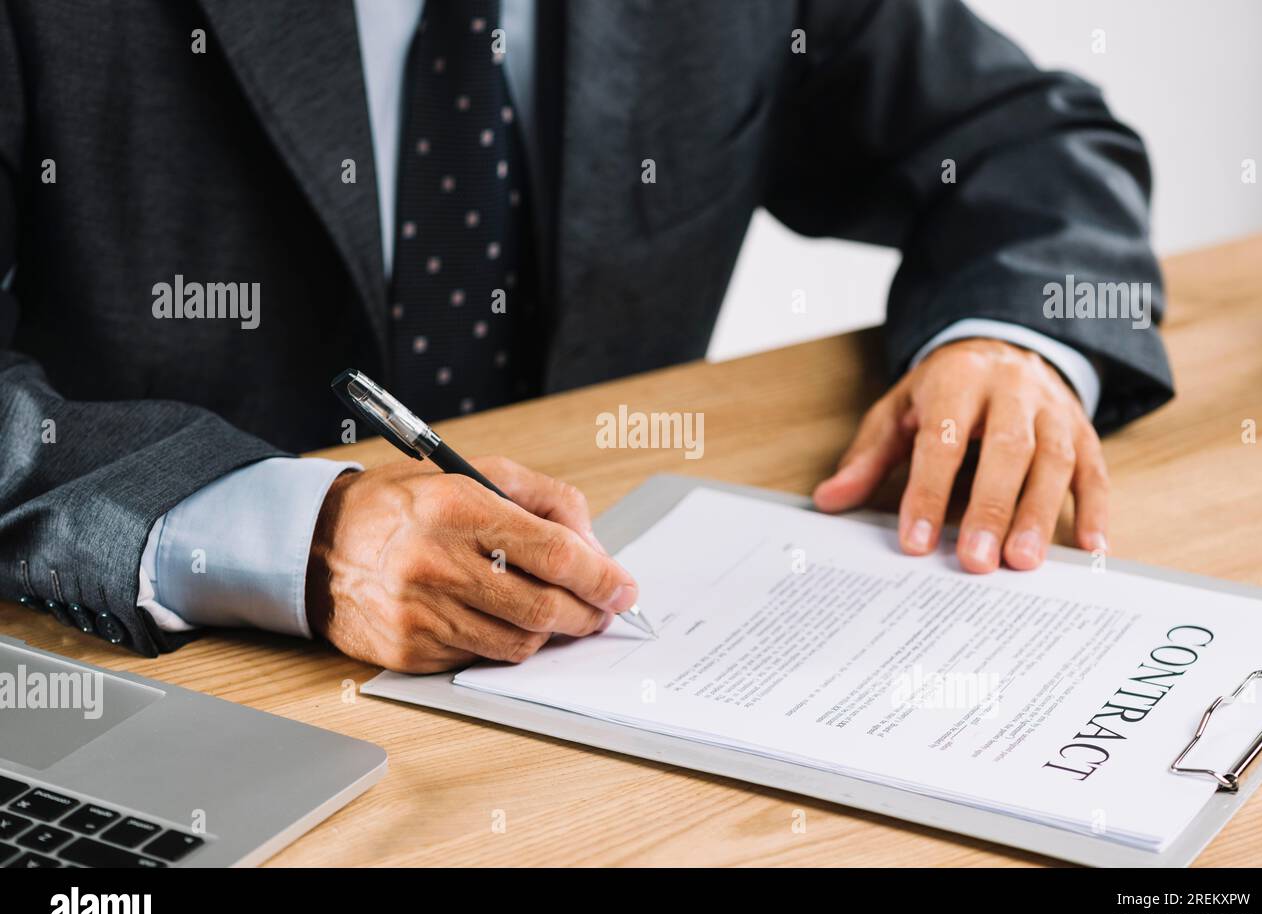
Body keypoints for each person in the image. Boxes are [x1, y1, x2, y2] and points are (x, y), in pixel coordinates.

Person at [0, 0, 1171, 672]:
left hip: (590, 706)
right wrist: (288, 536)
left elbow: (1029, 139)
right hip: (165, 696)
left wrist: (1007, 342)